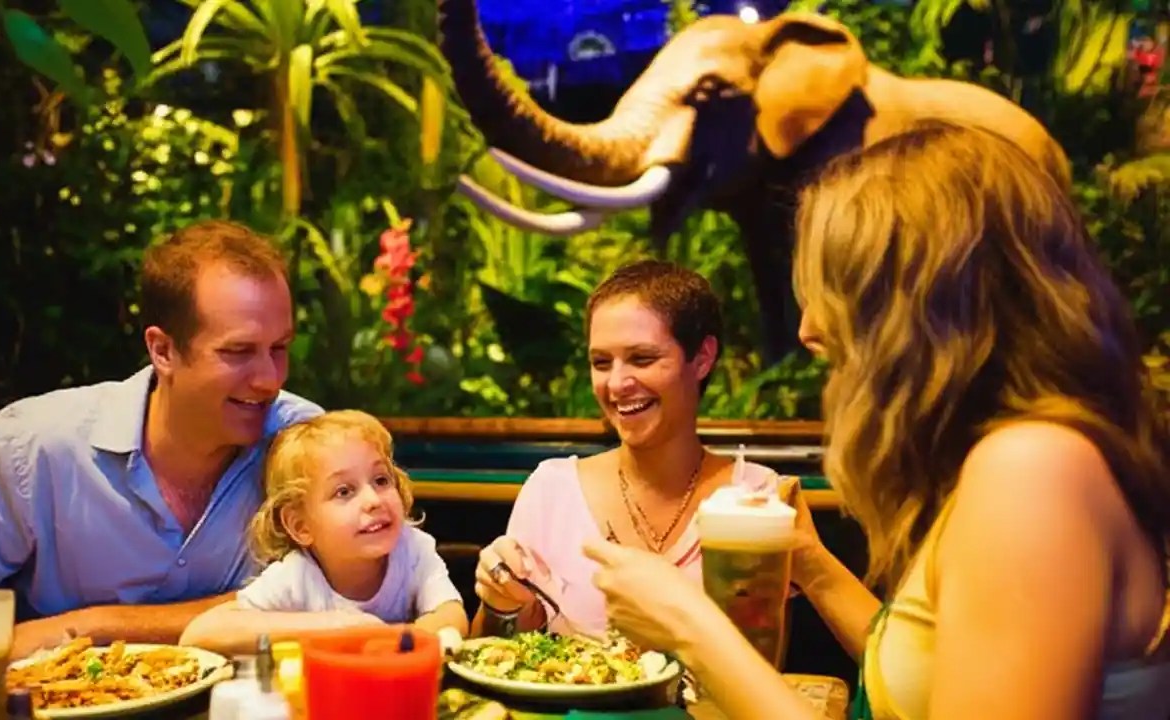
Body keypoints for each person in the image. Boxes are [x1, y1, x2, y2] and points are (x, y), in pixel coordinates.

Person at [584, 122, 1170, 719]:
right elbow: (935, 673)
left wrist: (691, 629)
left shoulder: (1033, 471)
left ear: (920, 299)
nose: (808, 329)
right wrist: (808, 562)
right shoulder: (1013, 460)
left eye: (832, 288)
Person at [0, 219, 323, 658]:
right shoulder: (39, 446)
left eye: (280, 348)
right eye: (238, 352)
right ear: (164, 351)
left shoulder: (308, 444)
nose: (270, 379)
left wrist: (89, 626)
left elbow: (347, 594)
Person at [473, 259, 783, 638]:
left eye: (642, 358)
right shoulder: (552, 489)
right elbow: (495, 652)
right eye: (601, 363)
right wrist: (501, 604)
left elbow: (767, 653)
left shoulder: (758, 496)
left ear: (701, 357)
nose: (616, 384)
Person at [179, 410, 468, 654]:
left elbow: (451, 616)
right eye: (344, 491)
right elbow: (199, 635)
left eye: (381, 480)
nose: (373, 500)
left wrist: (396, 643)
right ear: (300, 526)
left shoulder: (412, 550)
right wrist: (339, 626)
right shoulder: (295, 576)